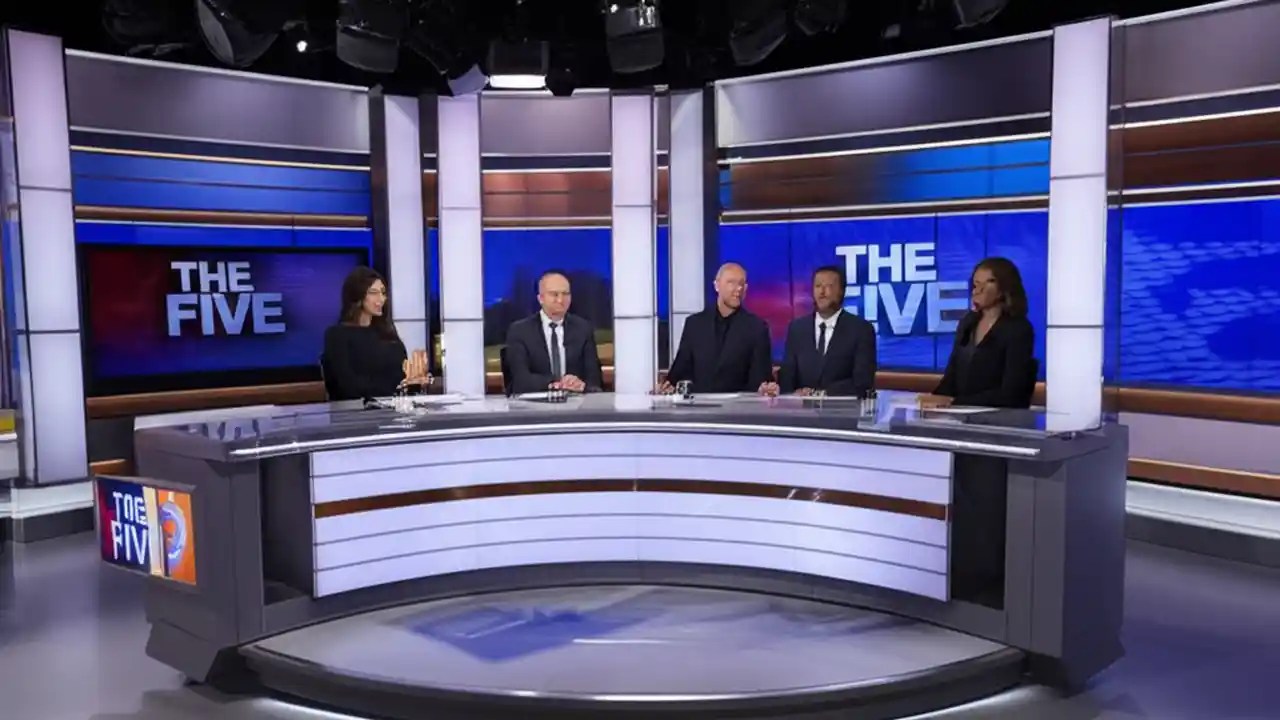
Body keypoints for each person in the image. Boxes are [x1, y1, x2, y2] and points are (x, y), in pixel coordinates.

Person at [919, 257, 1036, 409]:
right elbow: (951, 378)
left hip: (1000, 420)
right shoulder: (968, 322)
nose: (978, 289)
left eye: (989, 282)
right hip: (960, 416)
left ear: (1004, 288)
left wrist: (954, 402)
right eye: (976, 283)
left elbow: (1012, 394)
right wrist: (933, 399)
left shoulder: (1019, 329)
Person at [764, 265, 877, 397]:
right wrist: (779, 390)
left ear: (841, 291)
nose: (822, 292)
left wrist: (820, 394)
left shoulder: (861, 330)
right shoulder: (797, 328)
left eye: (828, 286)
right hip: (801, 412)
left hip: (843, 412)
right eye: (818, 286)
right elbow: (788, 376)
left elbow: (863, 381)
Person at [661, 262, 773, 394]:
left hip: (739, 410)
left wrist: (763, 390)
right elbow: (679, 373)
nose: (738, 289)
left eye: (742, 284)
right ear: (717, 285)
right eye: (731, 282)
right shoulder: (694, 324)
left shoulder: (757, 328)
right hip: (699, 409)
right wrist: (665, 388)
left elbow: (760, 380)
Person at [322, 266, 430, 400]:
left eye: (383, 292)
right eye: (373, 292)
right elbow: (346, 387)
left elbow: (403, 384)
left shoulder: (388, 335)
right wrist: (395, 388)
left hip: (392, 412)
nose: (381, 299)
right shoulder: (337, 336)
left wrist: (416, 383)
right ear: (357, 295)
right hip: (354, 415)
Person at [504, 270, 603, 394]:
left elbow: (594, 380)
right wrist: (559, 382)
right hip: (534, 406)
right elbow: (520, 380)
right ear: (541, 298)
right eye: (554, 294)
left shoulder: (583, 329)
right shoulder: (520, 331)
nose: (561, 300)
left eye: (565, 294)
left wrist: (582, 385)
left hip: (575, 404)